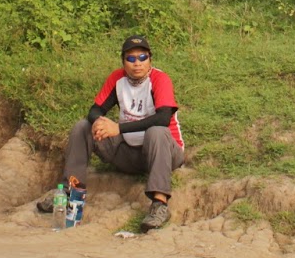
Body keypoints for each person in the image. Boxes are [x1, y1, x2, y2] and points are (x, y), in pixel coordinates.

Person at [35, 35, 185, 231]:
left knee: (156, 132)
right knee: (83, 126)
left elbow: (163, 118)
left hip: (163, 153)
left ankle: (160, 204)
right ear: (123, 62)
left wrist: (118, 128)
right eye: (131, 59)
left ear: (150, 60)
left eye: (142, 57)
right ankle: (70, 192)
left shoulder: (159, 79)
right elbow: (95, 110)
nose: (137, 63)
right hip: (129, 153)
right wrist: (99, 122)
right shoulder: (117, 79)